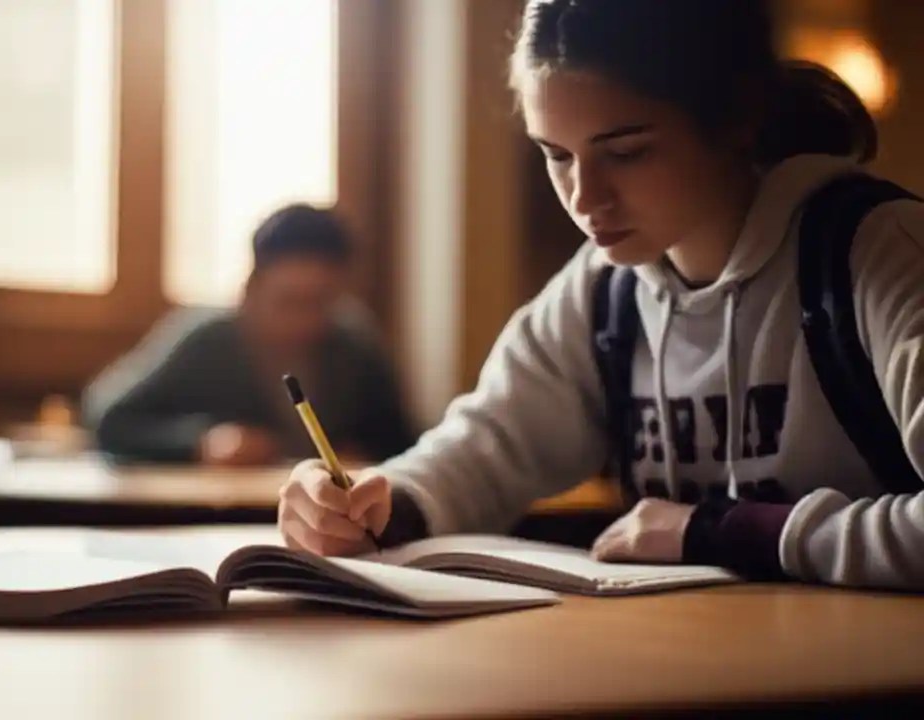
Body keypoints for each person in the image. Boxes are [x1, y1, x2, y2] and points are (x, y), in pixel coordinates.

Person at [277, 0, 924, 590]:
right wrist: (373, 505)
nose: (585, 199)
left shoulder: (878, 253)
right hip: (703, 657)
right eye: (557, 155)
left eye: (628, 152)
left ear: (738, 118)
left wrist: (726, 532)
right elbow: (481, 452)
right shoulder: (605, 290)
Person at [83, 204, 417, 467]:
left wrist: (365, 455)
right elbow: (110, 420)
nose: (305, 321)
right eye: (289, 302)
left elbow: (405, 443)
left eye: (323, 303)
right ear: (251, 288)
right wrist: (202, 442)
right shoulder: (206, 341)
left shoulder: (355, 346)